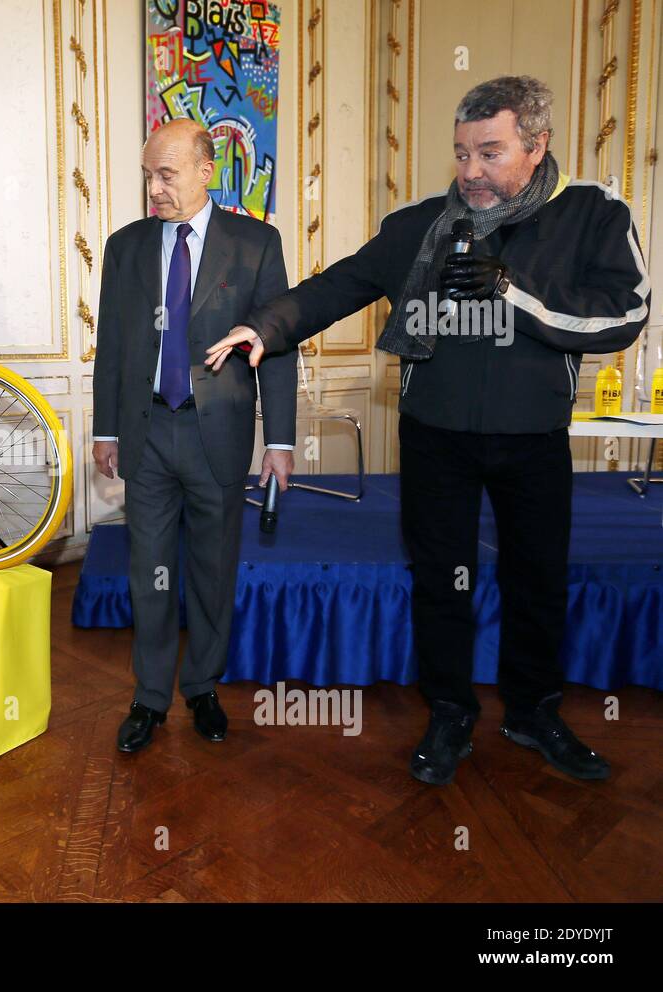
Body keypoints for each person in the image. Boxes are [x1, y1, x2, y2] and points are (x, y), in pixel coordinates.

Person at [207, 76, 648, 784]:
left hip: (533, 437)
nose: (470, 171)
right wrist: (264, 325)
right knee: (442, 582)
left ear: (537, 147)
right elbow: (340, 284)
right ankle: (449, 714)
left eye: (490, 153)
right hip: (435, 437)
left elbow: (623, 315)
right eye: (461, 153)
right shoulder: (422, 224)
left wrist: (513, 290)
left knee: (537, 580)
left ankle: (533, 713)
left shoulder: (592, 215)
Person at [93, 118, 297, 753]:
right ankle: (150, 698)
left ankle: (202, 686)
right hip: (147, 432)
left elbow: (279, 346)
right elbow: (113, 349)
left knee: (212, 568)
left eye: (166, 175)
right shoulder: (125, 247)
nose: (153, 188)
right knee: (149, 570)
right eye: (148, 175)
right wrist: (105, 429)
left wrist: (281, 441)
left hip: (219, 436)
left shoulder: (256, 243)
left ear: (206, 172)